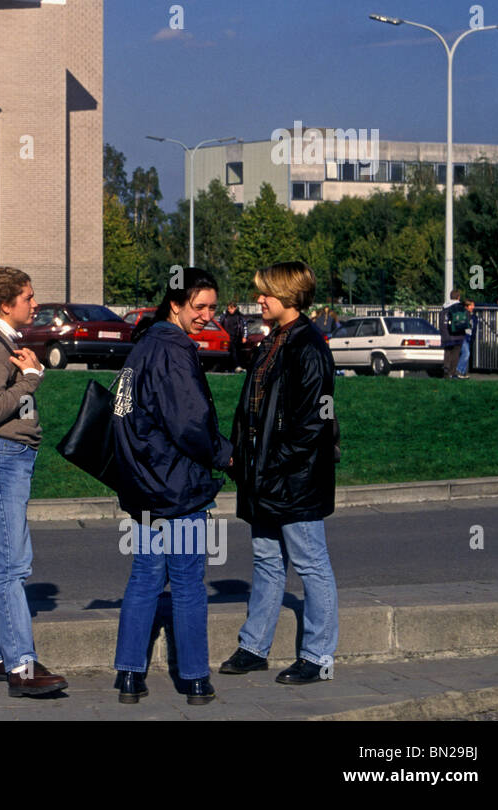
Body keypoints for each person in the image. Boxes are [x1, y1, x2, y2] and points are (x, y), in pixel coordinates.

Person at [110, 267, 233, 705]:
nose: (207, 315)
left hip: (144, 484)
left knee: (144, 578)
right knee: (186, 583)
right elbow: (191, 423)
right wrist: (226, 454)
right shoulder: (173, 351)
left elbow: (123, 415)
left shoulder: (144, 347)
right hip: (176, 486)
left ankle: (128, 675)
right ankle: (195, 679)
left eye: (213, 307)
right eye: (198, 307)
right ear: (175, 305)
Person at [223, 261, 339, 686]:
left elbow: (313, 425)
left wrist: (270, 468)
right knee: (267, 561)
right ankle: (254, 647)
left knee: (311, 565)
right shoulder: (274, 341)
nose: (259, 299)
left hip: (294, 480)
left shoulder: (308, 346)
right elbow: (253, 411)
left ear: (288, 296)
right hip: (266, 477)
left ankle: (318, 655)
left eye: (265, 293)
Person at [0, 266, 67, 697]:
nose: (35, 304)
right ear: (6, 304)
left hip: (1, 458)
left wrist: (25, 377)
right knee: (10, 566)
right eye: (28, 297)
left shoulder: (2, 342)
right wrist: (31, 380)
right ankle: (21, 666)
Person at [439, 288, 463, 379]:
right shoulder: (459, 307)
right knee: (455, 353)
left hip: (445, 334)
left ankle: (446, 368)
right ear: (458, 297)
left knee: (447, 352)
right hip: (456, 335)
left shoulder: (444, 308)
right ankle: (452, 372)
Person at [220, 300, 247, 372]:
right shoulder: (224, 316)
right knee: (231, 352)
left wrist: (244, 336)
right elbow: (220, 325)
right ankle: (233, 367)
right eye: (228, 308)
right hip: (226, 337)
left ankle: (237, 366)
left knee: (237, 352)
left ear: (235, 308)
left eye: (231, 308)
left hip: (237, 337)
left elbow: (244, 327)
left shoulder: (240, 316)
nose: (230, 310)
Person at [456, 298, 477, 378]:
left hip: (468, 337)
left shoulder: (472, 315)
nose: (473, 307)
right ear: (466, 306)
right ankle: (459, 370)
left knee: (466, 354)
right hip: (463, 336)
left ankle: (463, 372)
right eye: (471, 305)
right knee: (466, 353)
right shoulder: (465, 314)